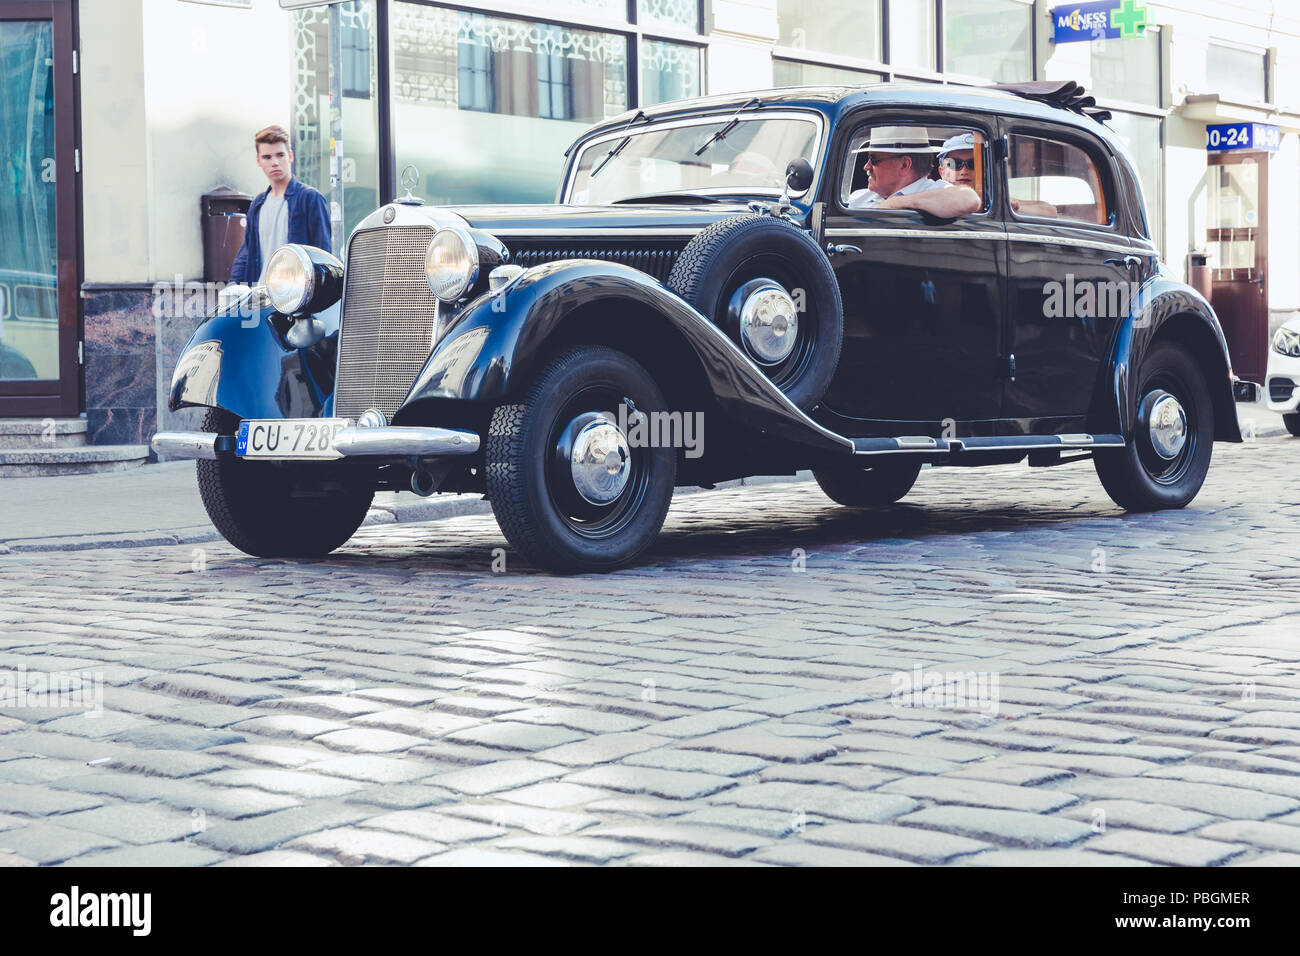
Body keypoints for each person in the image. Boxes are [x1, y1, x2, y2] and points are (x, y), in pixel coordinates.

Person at [229, 125, 333, 285]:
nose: (275, 162)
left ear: (290, 156)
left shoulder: (310, 198)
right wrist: (232, 286)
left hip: (295, 300)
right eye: (267, 157)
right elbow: (247, 252)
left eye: (280, 155)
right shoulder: (258, 204)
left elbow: (323, 257)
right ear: (258, 161)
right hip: (261, 299)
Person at [846, 126, 979, 218]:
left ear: (904, 164)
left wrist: (896, 203)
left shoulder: (933, 190)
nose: (866, 166)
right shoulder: (858, 197)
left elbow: (969, 199)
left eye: (873, 159)